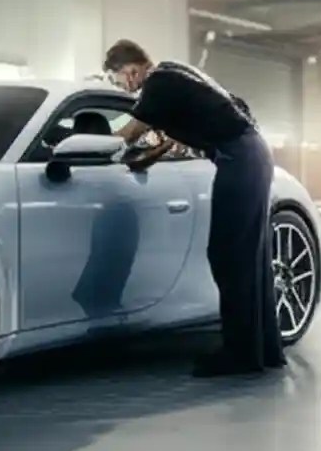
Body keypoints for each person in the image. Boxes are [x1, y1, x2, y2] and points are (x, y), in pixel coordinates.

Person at [103, 39, 285, 377]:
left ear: (129, 72)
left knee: (228, 254)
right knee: (249, 257)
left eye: (117, 81)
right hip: (251, 152)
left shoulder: (157, 83)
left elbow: (129, 133)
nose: (124, 89)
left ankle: (240, 355)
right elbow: (170, 140)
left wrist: (99, 140)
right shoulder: (175, 73)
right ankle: (263, 351)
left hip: (239, 158)